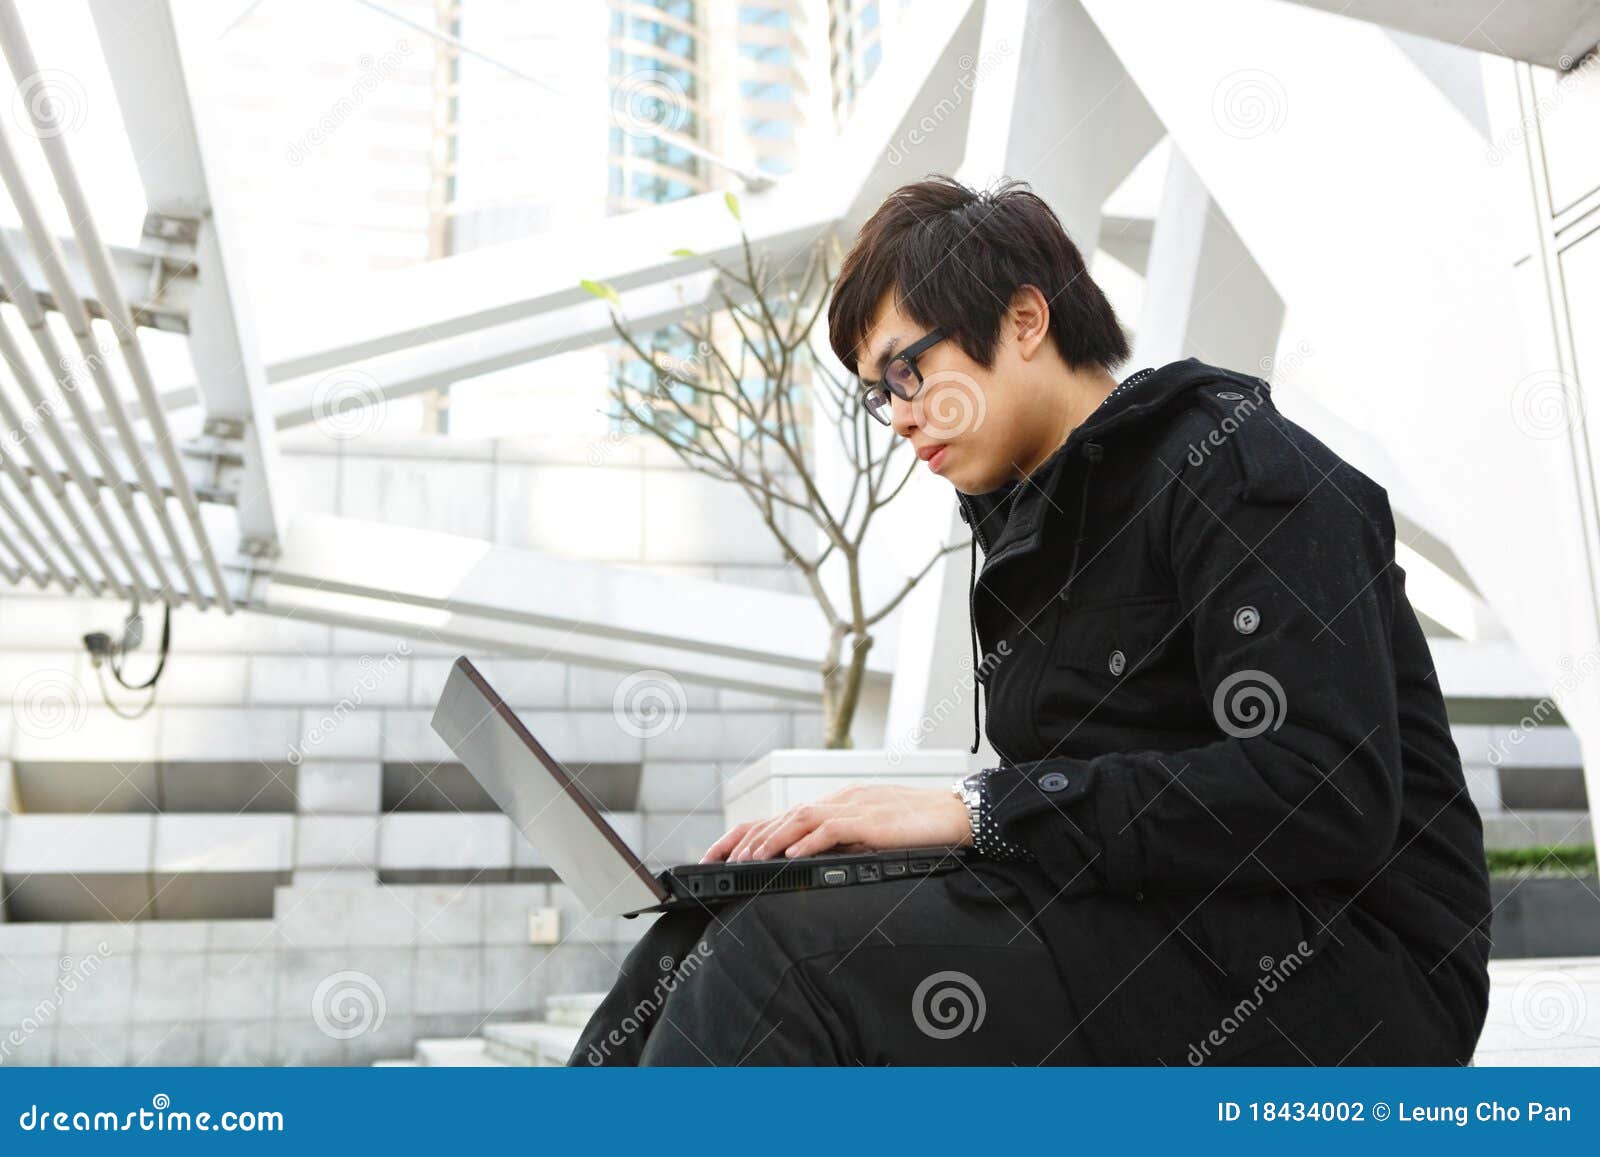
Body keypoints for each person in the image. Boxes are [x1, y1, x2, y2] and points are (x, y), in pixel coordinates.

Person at [571, 175, 1491, 1066]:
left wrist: (970, 811)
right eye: (875, 392)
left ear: (1023, 319)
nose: (895, 416)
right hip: (1151, 920)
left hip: (1348, 970)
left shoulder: (1239, 469)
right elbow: (1081, 814)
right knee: (696, 931)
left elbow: (1321, 791)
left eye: (907, 369)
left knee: (783, 958)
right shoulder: (1032, 534)